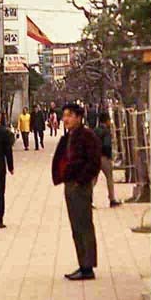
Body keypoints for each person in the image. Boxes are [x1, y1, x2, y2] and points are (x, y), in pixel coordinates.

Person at [52, 103, 103, 280]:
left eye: (69, 115)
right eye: (64, 115)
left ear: (79, 117)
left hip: (80, 185)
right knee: (76, 226)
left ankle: (88, 266)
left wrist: (82, 180)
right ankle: (82, 263)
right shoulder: (69, 136)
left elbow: (94, 161)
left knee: (84, 225)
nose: (65, 119)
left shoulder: (87, 136)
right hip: (70, 184)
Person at [94, 112, 121, 208]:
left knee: (93, 180)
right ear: (106, 121)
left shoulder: (95, 130)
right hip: (104, 157)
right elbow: (107, 145)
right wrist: (109, 156)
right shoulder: (106, 131)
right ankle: (112, 199)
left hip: (95, 157)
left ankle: (88, 200)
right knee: (109, 178)